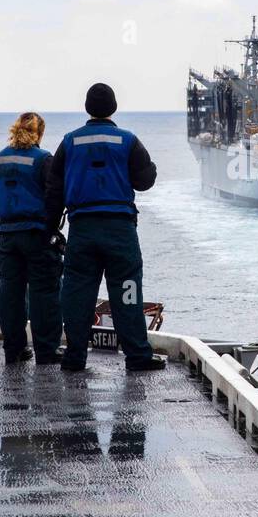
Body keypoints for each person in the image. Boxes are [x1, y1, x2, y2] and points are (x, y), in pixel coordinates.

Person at [47, 83, 164, 372]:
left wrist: (51, 227)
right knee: (127, 291)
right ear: (113, 108)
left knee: (77, 294)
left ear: (87, 108)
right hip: (119, 231)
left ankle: (74, 357)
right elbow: (145, 181)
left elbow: (54, 189)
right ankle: (137, 356)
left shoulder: (69, 142)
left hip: (82, 230)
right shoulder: (127, 140)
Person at [0, 112, 63, 365]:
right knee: (44, 293)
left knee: (10, 294)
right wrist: (51, 228)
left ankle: (13, 350)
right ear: (39, 134)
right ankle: (47, 351)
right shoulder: (43, 159)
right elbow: (55, 196)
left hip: (8, 235)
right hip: (37, 235)